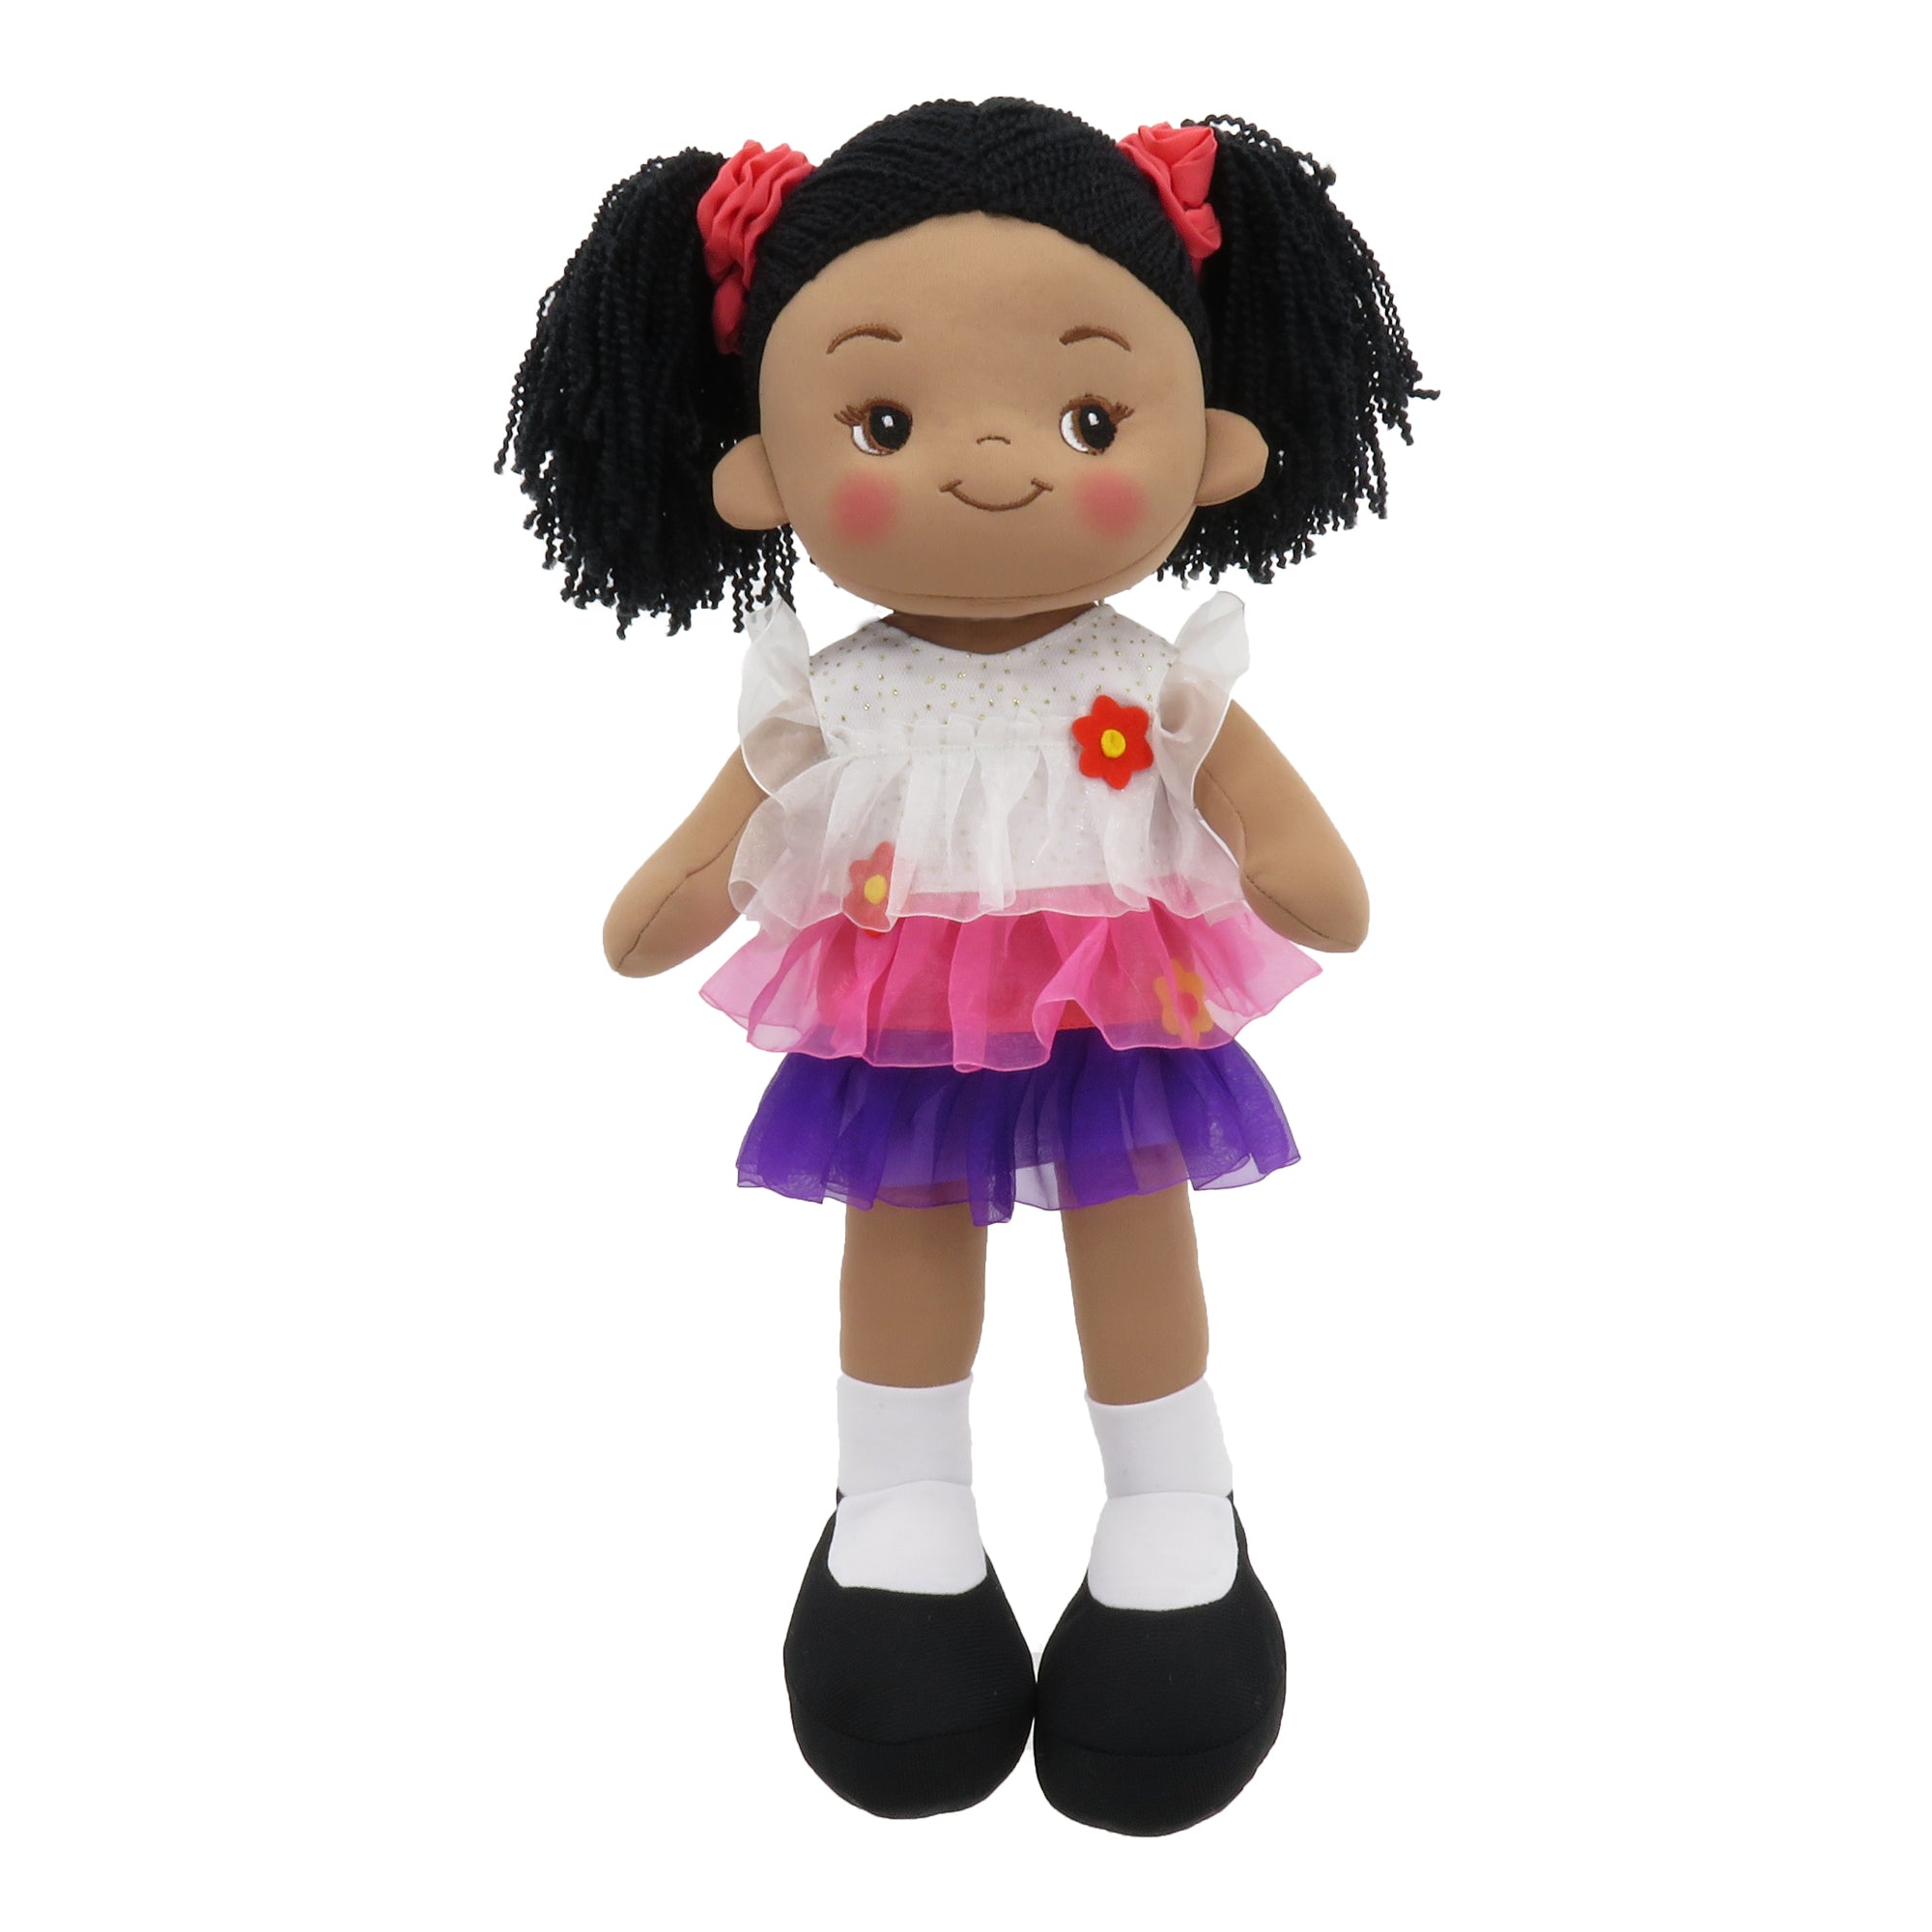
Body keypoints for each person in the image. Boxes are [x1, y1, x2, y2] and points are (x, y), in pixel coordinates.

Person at [498, 97, 1429, 1834]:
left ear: (1214, 445)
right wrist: (673, 895)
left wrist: (1295, 871)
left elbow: (1282, 838)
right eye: (884, 419)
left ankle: (1172, 1510)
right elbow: (710, 850)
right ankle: (901, 1511)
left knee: (1132, 1218)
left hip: (1114, 1011)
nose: (994, 461)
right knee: (906, 1225)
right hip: (905, 1020)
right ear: (763, 474)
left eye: (1090, 417)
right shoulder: (835, 693)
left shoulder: (1151, 678)